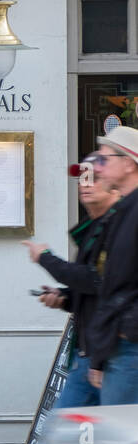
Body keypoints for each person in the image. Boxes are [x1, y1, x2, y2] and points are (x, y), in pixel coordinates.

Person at [0, 153, 120, 444]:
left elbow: (101, 284)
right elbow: (95, 290)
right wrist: (66, 298)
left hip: (112, 356)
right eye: (81, 177)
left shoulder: (119, 229)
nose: (85, 183)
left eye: (94, 176)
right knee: (60, 438)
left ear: (117, 183)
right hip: (92, 354)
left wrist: (47, 260)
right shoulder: (98, 228)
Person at [83, 125, 138, 404]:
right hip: (120, 346)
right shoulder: (122, 211)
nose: (99, 168)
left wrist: (127, 328)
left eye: (104, 159)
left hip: (129, 347)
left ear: (128, 163)